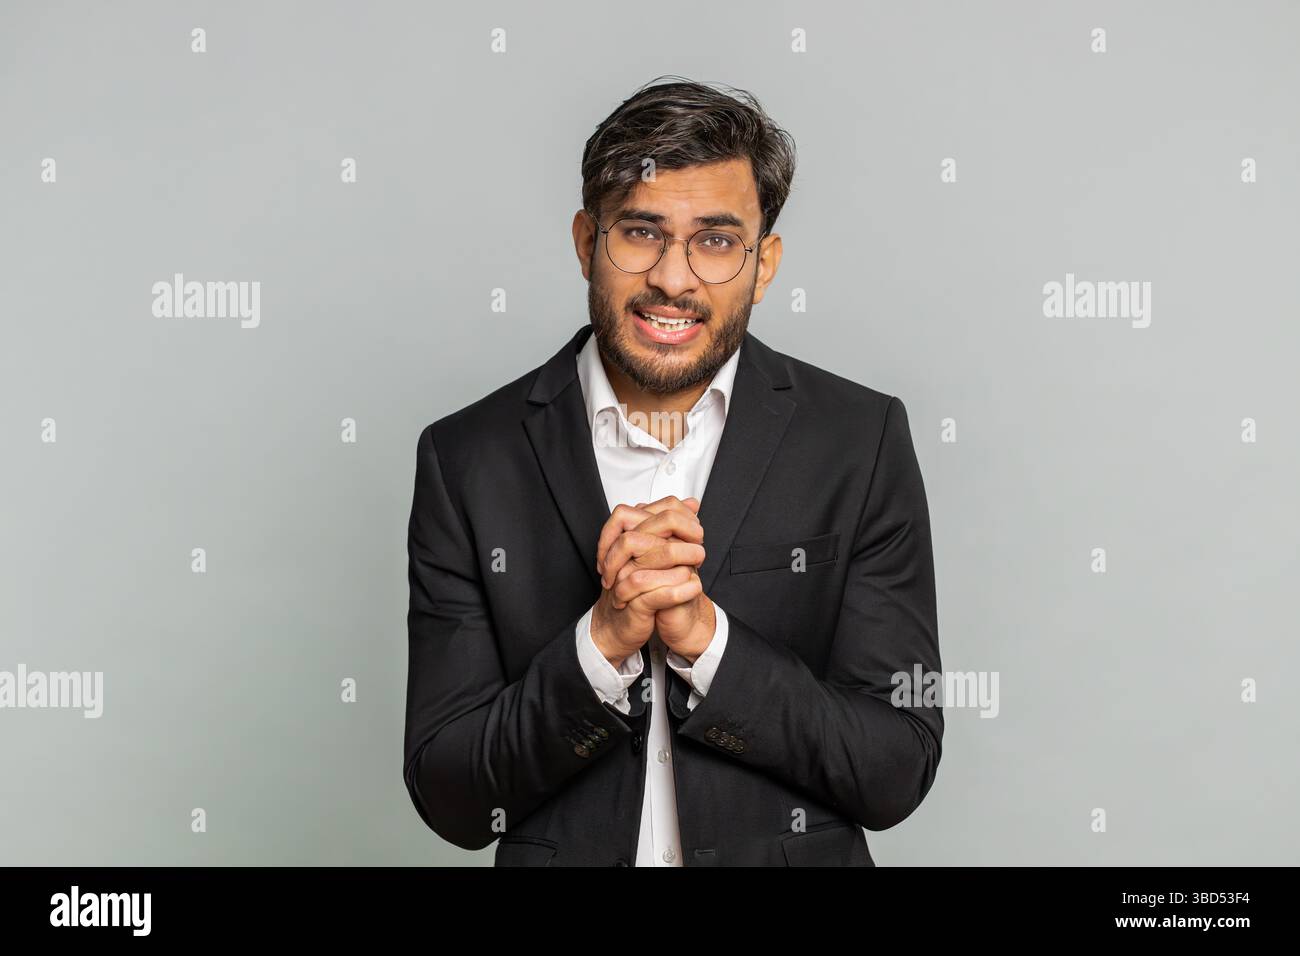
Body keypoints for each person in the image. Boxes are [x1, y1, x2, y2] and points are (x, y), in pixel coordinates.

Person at [403, 76, 942, 866]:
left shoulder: (858, 442)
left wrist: (707, 640)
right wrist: (604, 642)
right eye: (642, 233)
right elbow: (451, 796)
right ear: (589, 242)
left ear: (763, 265)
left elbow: (894, 769)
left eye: (717, 240)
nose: (674, 279)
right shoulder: (466, 459)